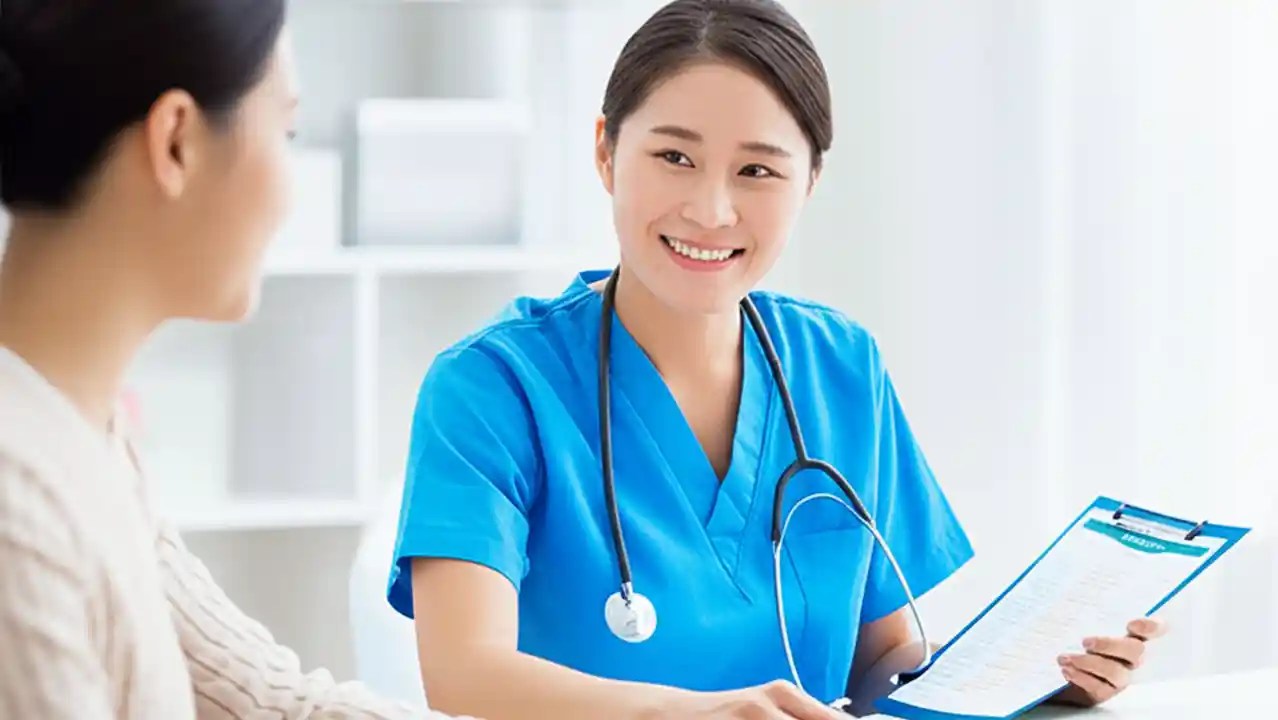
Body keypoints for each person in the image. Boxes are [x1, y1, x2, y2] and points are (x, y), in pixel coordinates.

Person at [387, 1, 1167, 718]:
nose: (711, 210)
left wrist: (1029, 683)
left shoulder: (839, 367)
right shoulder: (491, 388)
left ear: (810, 182)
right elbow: (463, 671)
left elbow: (883, 660)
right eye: (674, 157)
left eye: (757, 170)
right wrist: (696, 716)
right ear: (605, 151)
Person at [0, 2, 474, 718]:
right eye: (286, 132)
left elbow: (272, 702)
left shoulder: (85, 437)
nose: (291, 194)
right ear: (178, 142)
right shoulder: (17, 505)